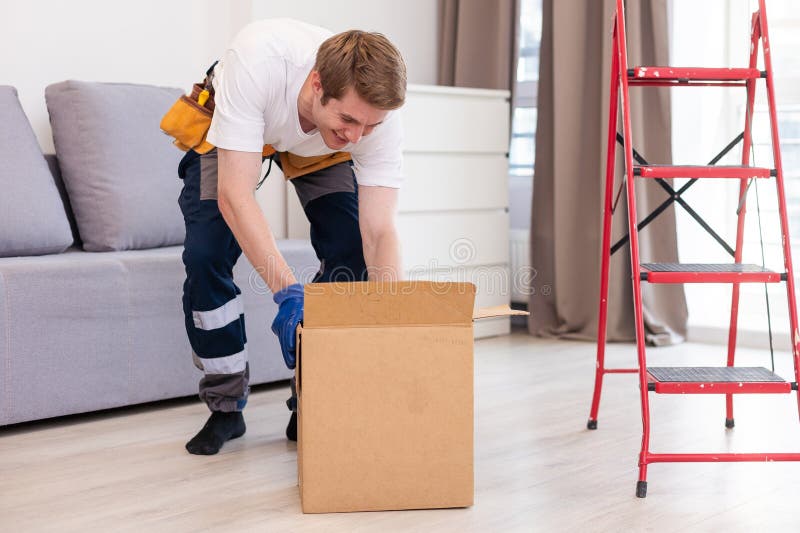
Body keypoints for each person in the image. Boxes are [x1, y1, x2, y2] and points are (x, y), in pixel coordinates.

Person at [177, 19, 406, 455]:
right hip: (239, 124)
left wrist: (390, 316)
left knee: (352, 252)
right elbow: (235, 196)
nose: (357, 137)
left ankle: (311, 396)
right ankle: (226, 406)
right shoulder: (256, 63)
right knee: (206, 255)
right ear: (317, 84)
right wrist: (289, 295)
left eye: (370, 127)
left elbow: (379, 230)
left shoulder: (370, 119)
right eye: (349, 119)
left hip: (319, 145)